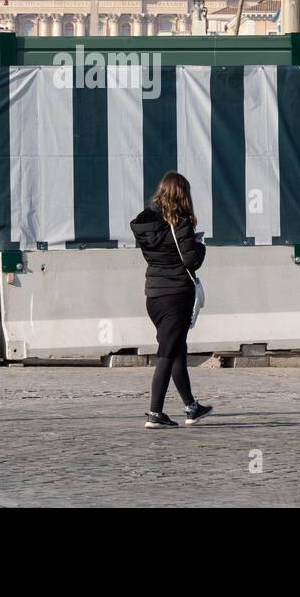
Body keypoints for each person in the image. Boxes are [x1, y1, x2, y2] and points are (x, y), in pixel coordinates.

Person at [129, 171, 214, 428]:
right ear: (182, 194)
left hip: (153, 294)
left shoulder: (147, 224)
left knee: (177, 350)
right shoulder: (180, 223)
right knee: (167, 352)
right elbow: (191, 261)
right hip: (176, 293)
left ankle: (192, 407)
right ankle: (154, 413)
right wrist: (200, 246)